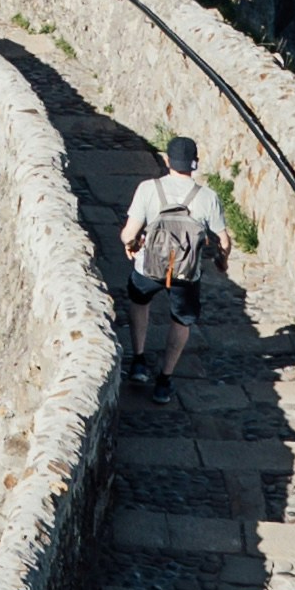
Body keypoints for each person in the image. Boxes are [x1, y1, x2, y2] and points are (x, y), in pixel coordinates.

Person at [115, 132, 227, 398]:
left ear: (167, 160)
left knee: (139, 303)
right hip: (187, 272)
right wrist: (223, 261)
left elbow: (128, 234)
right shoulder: (207, 197)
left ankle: (139, 361)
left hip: (149, 266)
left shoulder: (148, 188)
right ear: (195, 163)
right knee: (181, 320)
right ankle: (164, 380)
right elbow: (223, 239)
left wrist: (130, 246)